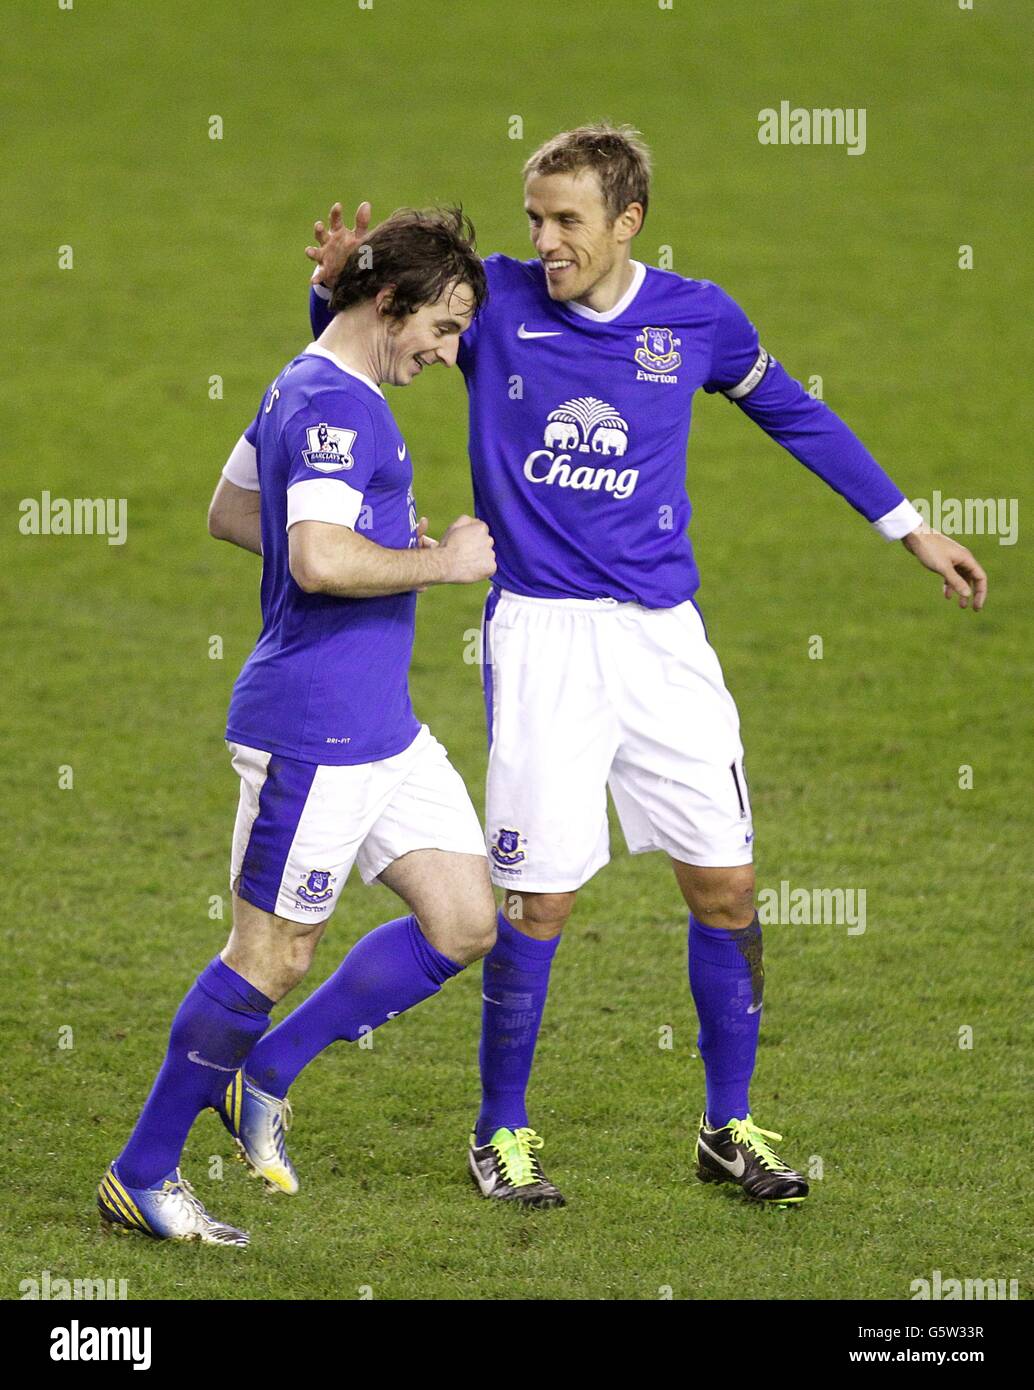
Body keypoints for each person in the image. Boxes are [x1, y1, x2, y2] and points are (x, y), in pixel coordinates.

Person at [283, 123, 987, 1211]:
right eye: (533, 218)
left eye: (566, 220)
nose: (545, 240)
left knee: (726, 883)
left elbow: (790, 411)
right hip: (544, 637)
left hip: (665, 642)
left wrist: (909, 529)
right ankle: (501, 1131)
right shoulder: (497, 302)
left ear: (627, 222)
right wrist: (332, 293)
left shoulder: (697, 317)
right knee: (539, 903)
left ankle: (726, 1124)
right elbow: (378, 352)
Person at [97, 208, 498, 1245]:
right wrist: (436, 561)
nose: (447, 353)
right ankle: (142, 1171)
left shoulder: (303, 380)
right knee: (269, 955)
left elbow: (234, 515)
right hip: (312, 731)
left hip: (383, 730)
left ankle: (262, 1073)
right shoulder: (340, 409)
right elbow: (315, 561)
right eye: (442, 328)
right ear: (387, 303)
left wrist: (372, 536)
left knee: (463, 920)